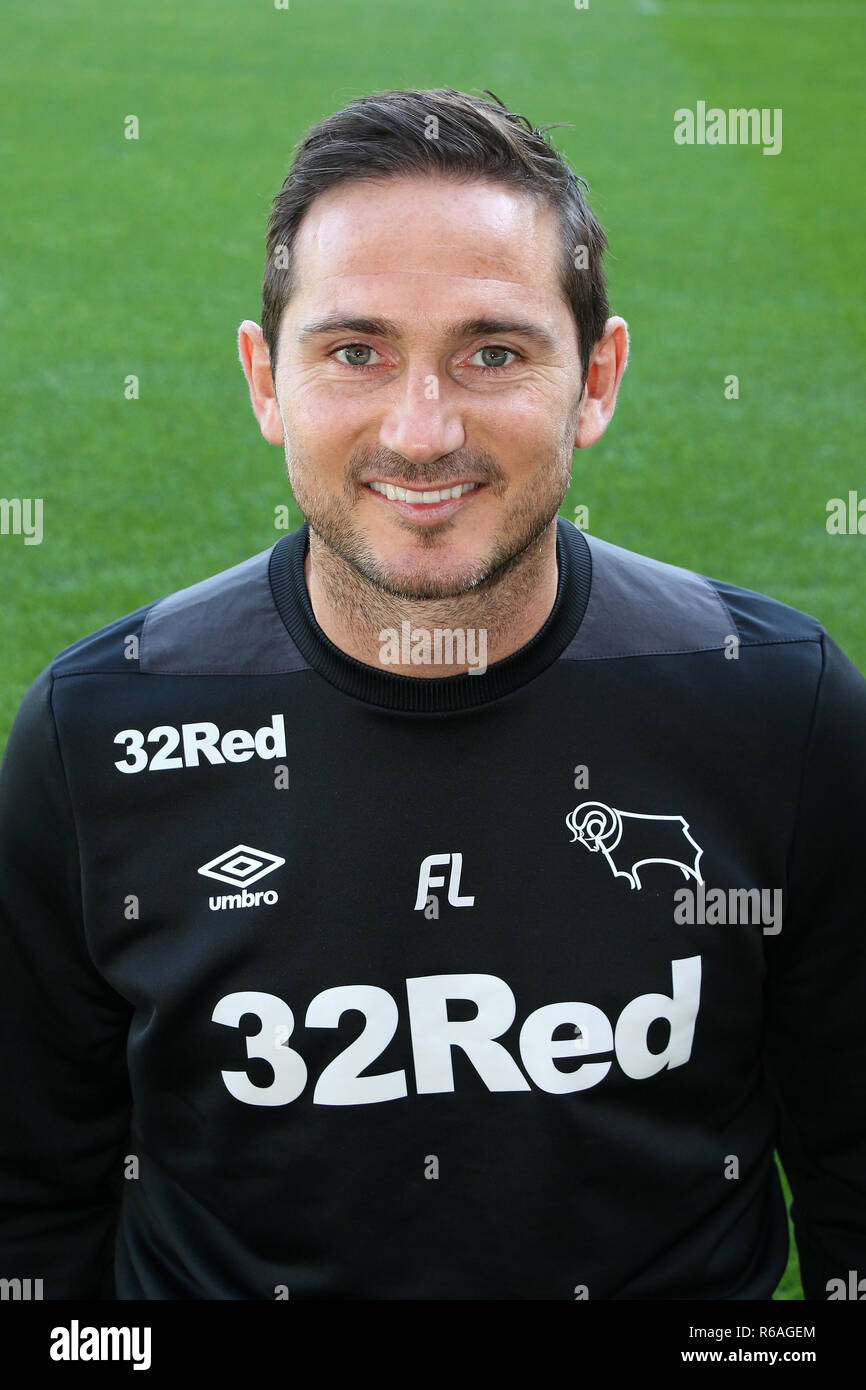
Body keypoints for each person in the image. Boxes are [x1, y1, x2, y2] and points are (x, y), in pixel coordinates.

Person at [0, 87, 863, 1301]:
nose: (422, 428)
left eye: (492, 352)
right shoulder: (97, 729)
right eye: (355, 351)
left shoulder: (778, 707)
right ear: (264, 380)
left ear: (596, 378)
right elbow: (32, 1204)